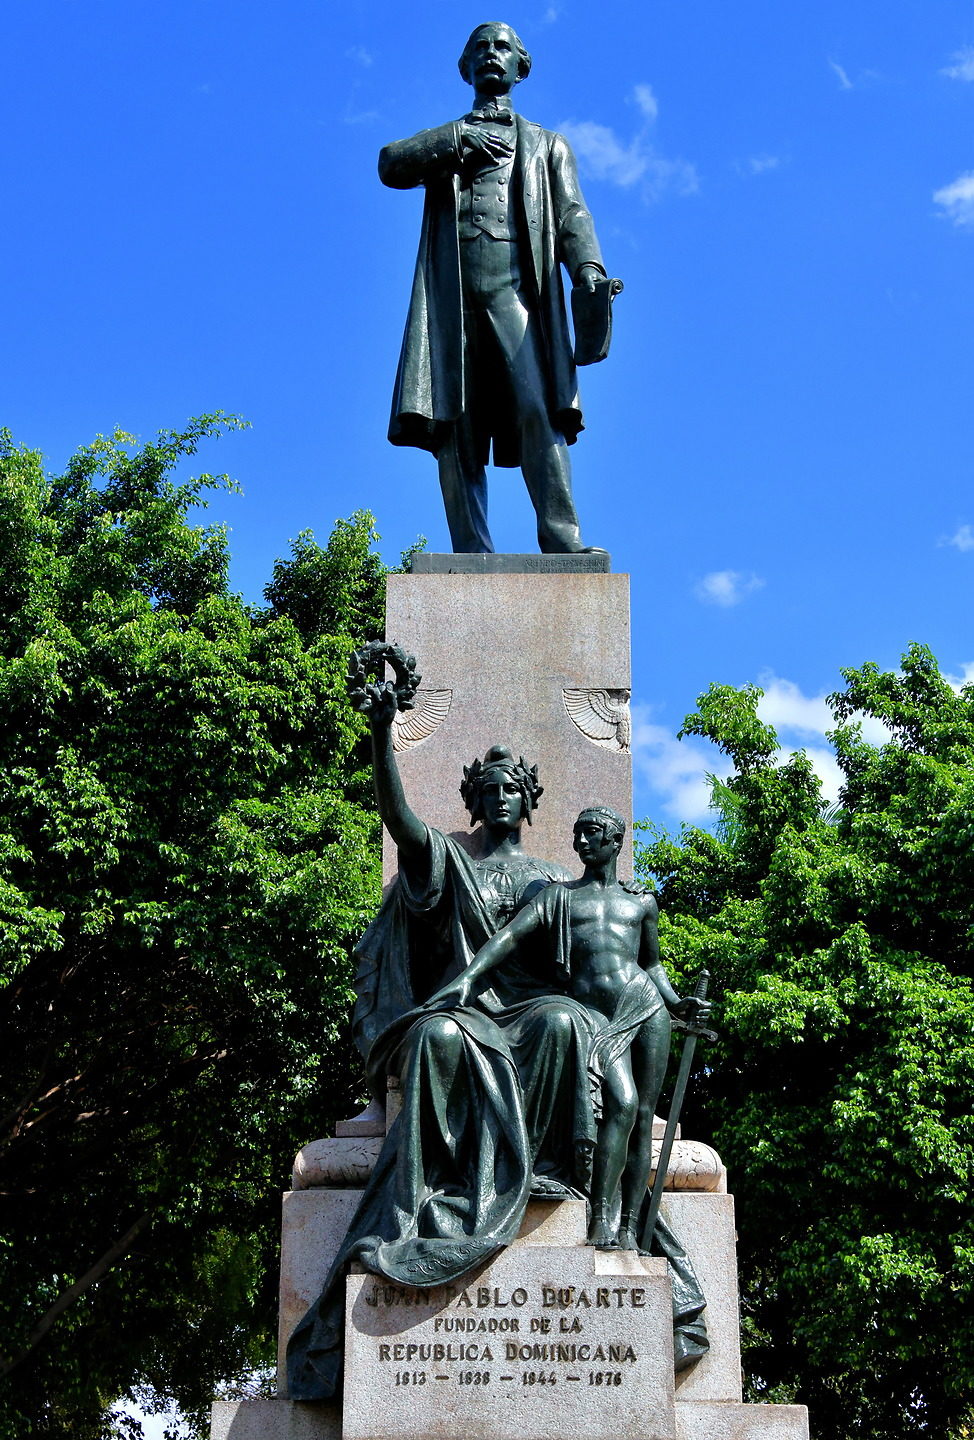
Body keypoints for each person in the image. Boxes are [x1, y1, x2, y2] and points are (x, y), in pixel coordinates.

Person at [287, 656, 601, 1401]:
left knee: (562, 1022)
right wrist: (380, 732)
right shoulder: (449, 861)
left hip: (526, 1019)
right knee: (437, 1037)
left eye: (511, 790)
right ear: (472, 801)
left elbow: (584, 978)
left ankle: (554, 1169)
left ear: (529, 802)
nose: (499, 798)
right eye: (487, 790)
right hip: (462, 1015)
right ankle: (423, 1197)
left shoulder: (556, 880)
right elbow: (398, 819)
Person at [378, 22, 616, 555]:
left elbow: (573, 215)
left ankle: (562, 539)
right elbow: (390, 164)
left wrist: (588, 269)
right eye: (480, 47)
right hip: (451, 294)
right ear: (466, 67)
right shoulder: (449, 141)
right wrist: (456, 139)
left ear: (520, 65)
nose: (492, 54)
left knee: (538, 408)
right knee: (454, 425)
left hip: (518, 292)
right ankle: (470, 548)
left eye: (502, 46)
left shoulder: (548, 145)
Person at [430, 805, 711, 1251]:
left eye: (592, 833)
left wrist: (678, 1004)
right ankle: (600, 1217)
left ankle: (630, 1229)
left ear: (615, 841)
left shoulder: (641, 901)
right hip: (594, 1016)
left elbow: (652, 966)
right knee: (621, 1102)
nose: (582, 842)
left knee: (641, 1121)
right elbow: (507, 939)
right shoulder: (558, 897)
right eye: (578, 833)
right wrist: (466, 980)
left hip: (643, 1005)